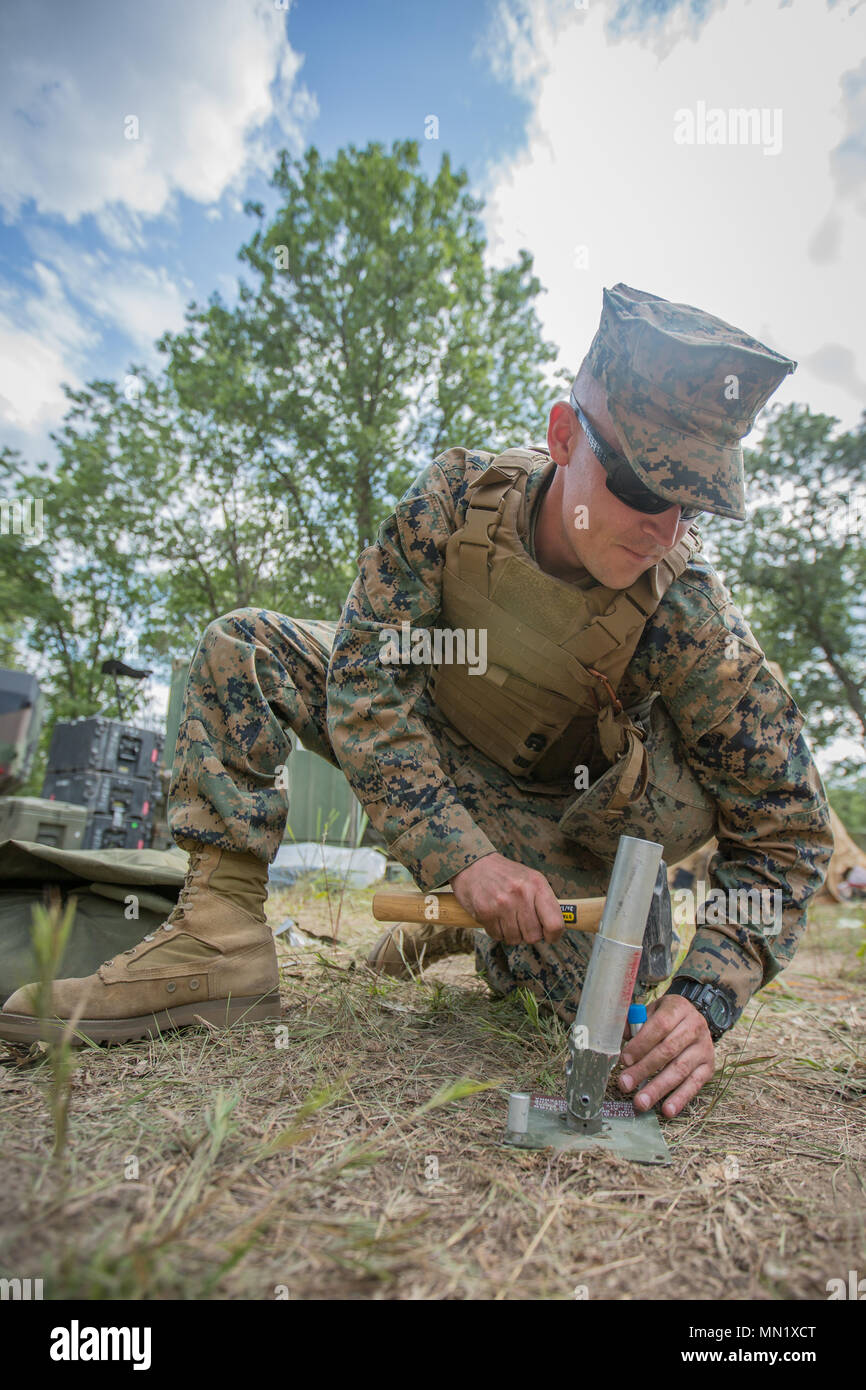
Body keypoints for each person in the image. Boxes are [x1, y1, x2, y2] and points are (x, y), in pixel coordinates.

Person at [1, 284, 833, 1121]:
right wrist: (463, 859)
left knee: (579, 1018)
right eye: (646, 490)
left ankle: (461, 924)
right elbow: (366, 684)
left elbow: (787, 826)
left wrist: (708, 995)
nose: (666, 529)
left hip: (550, 832)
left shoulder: (691, 618)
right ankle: (219, 938)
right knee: (246, 644)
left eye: (693, 504)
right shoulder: (455, 505)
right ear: (563, 434)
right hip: (432, 753)